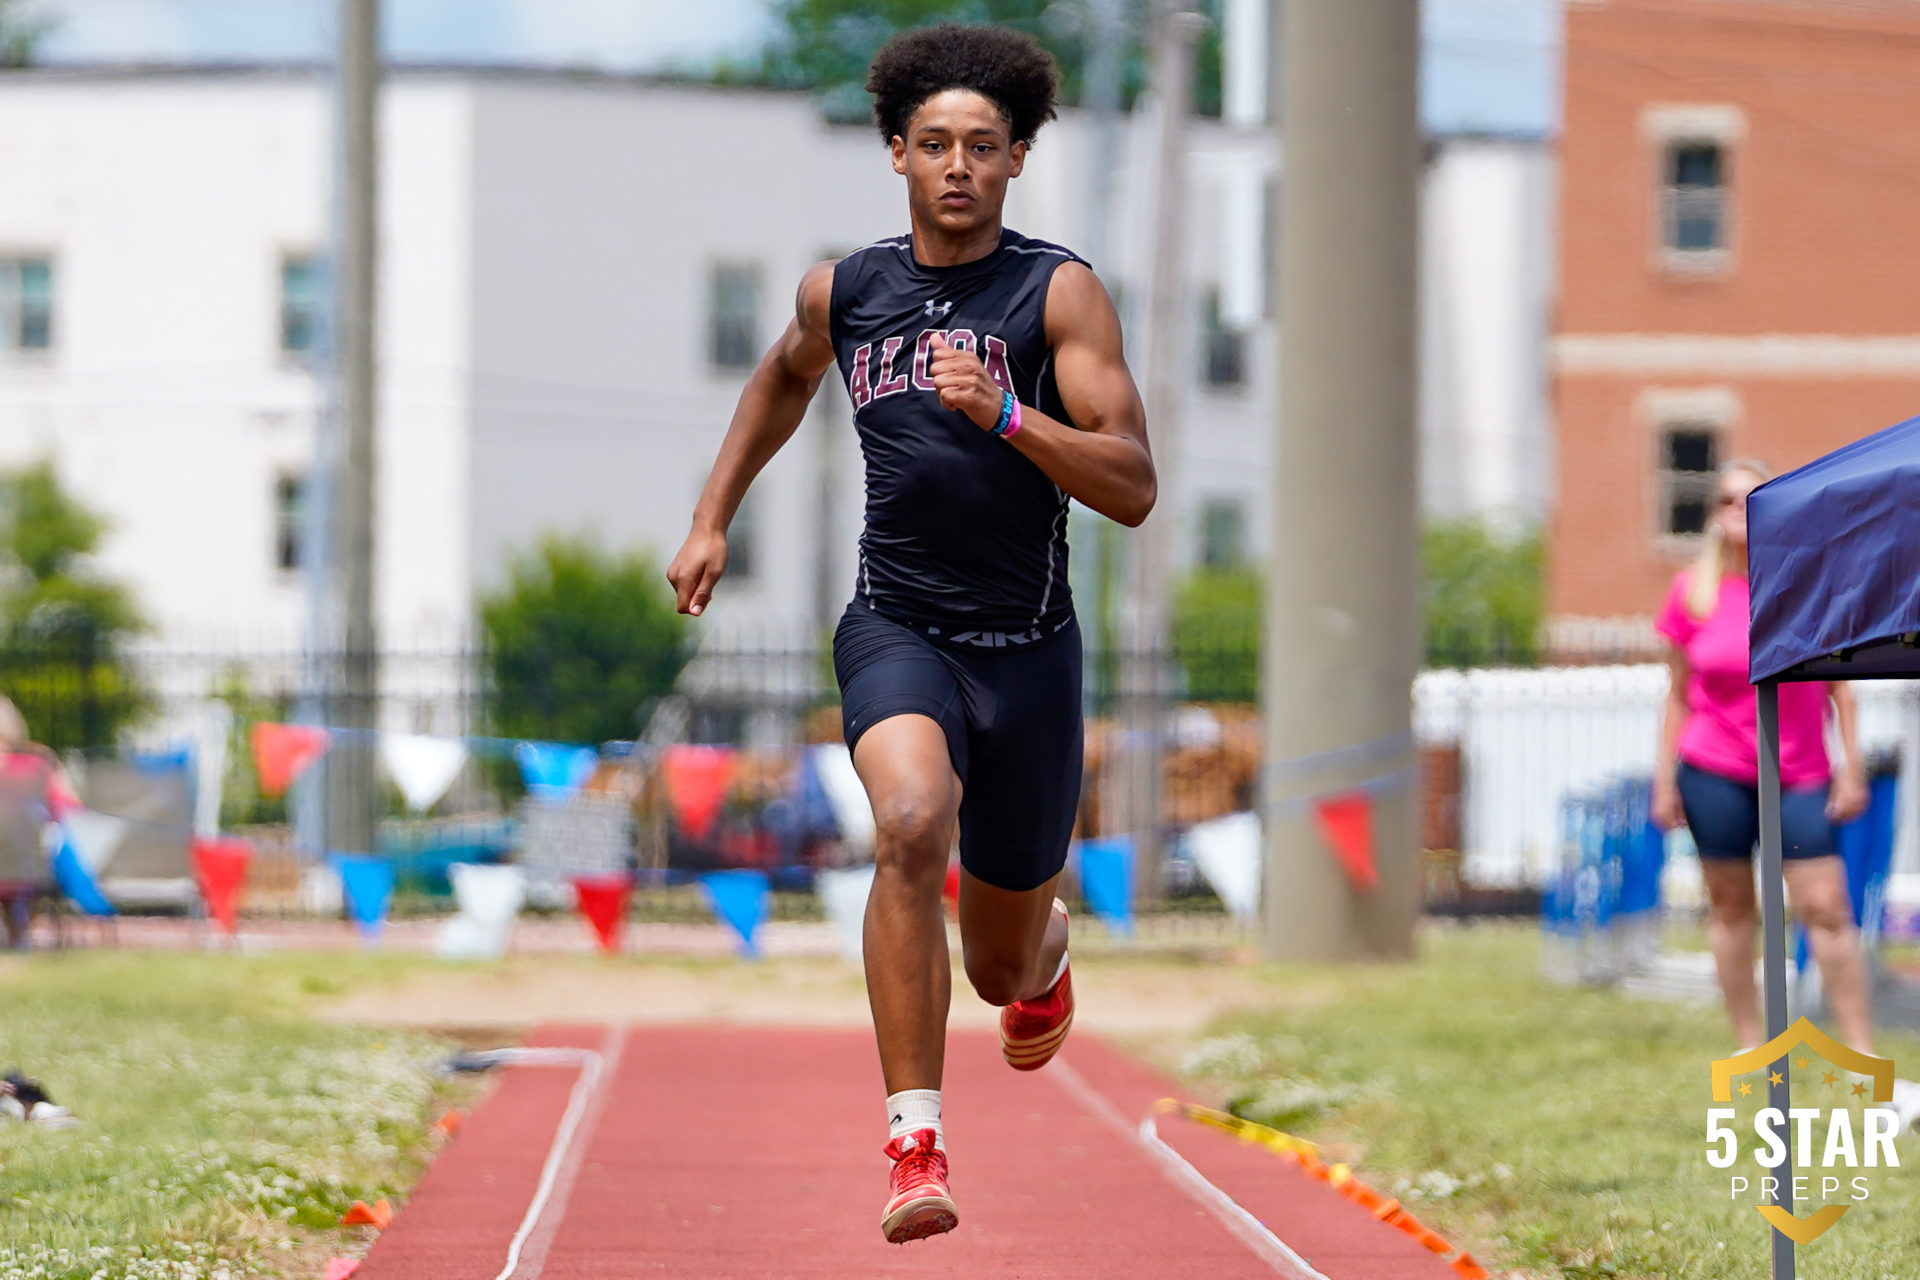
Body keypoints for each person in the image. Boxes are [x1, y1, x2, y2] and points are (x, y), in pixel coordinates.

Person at [666, 23, 1153, 1244]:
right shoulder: (850, 288)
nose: (957, 166)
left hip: (1029, 647)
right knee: (905, 823)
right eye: (933, 143)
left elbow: (1135, 481)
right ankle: (914, 1138)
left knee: (994, 966)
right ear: (896, 153)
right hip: (898, 625)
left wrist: (1008, 417)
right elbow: (783, 374)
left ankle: (1039, 950)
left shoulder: (1058, 292)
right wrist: (713, 515)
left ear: (1017, 160)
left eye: (983, 147)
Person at [1651, 461, 1873, 1053]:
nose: (1735, 510)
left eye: (1749, 500)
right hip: (1713, 771)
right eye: (1725, 500)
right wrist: (1663, 781)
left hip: (1800, 771)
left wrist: (1852, 766)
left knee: (1825, 905)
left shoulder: (1810, 586)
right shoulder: (1691, 594)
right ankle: (1752, 1047)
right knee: (1731, 907)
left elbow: (1841, 688)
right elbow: (1675, 696)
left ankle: (1859, 1052)